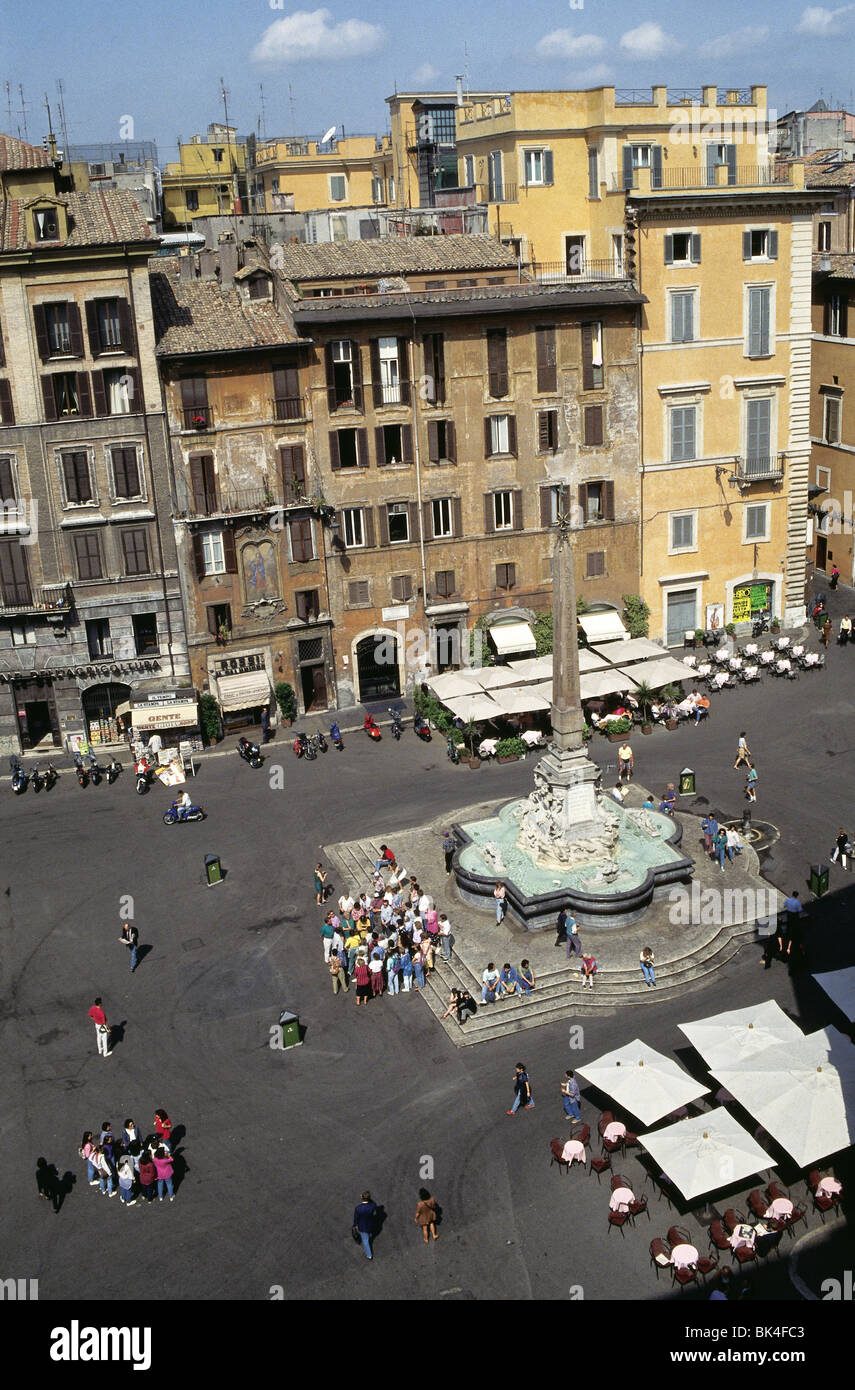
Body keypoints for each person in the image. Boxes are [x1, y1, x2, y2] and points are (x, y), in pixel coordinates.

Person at [352, 1191, 378, 1260]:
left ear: (362, 1198)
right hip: (370, 1224)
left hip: (362, 1226)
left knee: (365, 1241)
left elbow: (356, 1218)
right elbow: (374, 1204)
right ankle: (370, 1235)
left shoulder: (358, 1208)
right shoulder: (372, 1205)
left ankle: (369, 1255)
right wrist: (368, 1198)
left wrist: (355, 1225)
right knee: (369, 1233)